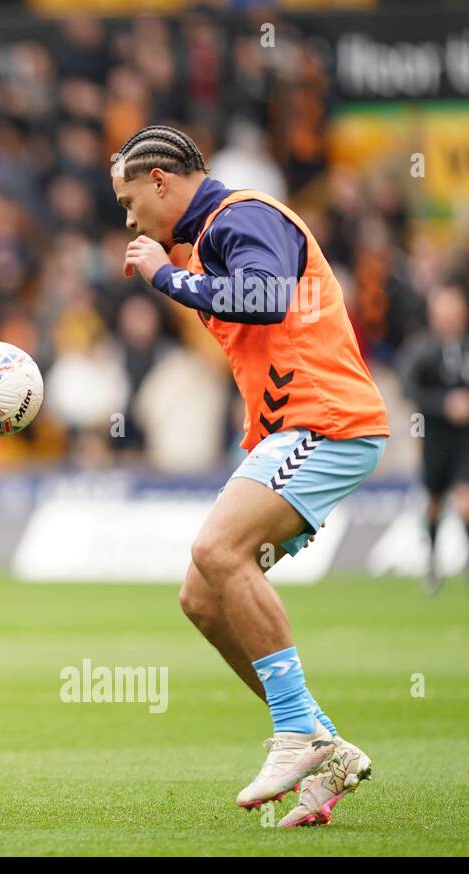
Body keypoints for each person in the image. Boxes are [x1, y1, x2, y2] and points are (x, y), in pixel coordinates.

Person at [110, 125, 389, 828]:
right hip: (289, 430)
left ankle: (296, 732)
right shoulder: (214, 234)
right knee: (201, 596)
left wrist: (162, 275)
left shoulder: (245, 215)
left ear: (161, 181)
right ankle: (325, 748)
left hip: (326, 421)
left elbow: (263, 297)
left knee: (216, 551)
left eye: (129, 198)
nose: (128, 217)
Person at [397, 283, 469, 593]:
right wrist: (443, 405)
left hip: (465, 440)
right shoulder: (422, 350)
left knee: (466, 502)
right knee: (435, 503)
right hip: (435, 438)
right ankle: (432, 564)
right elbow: (408, 390)